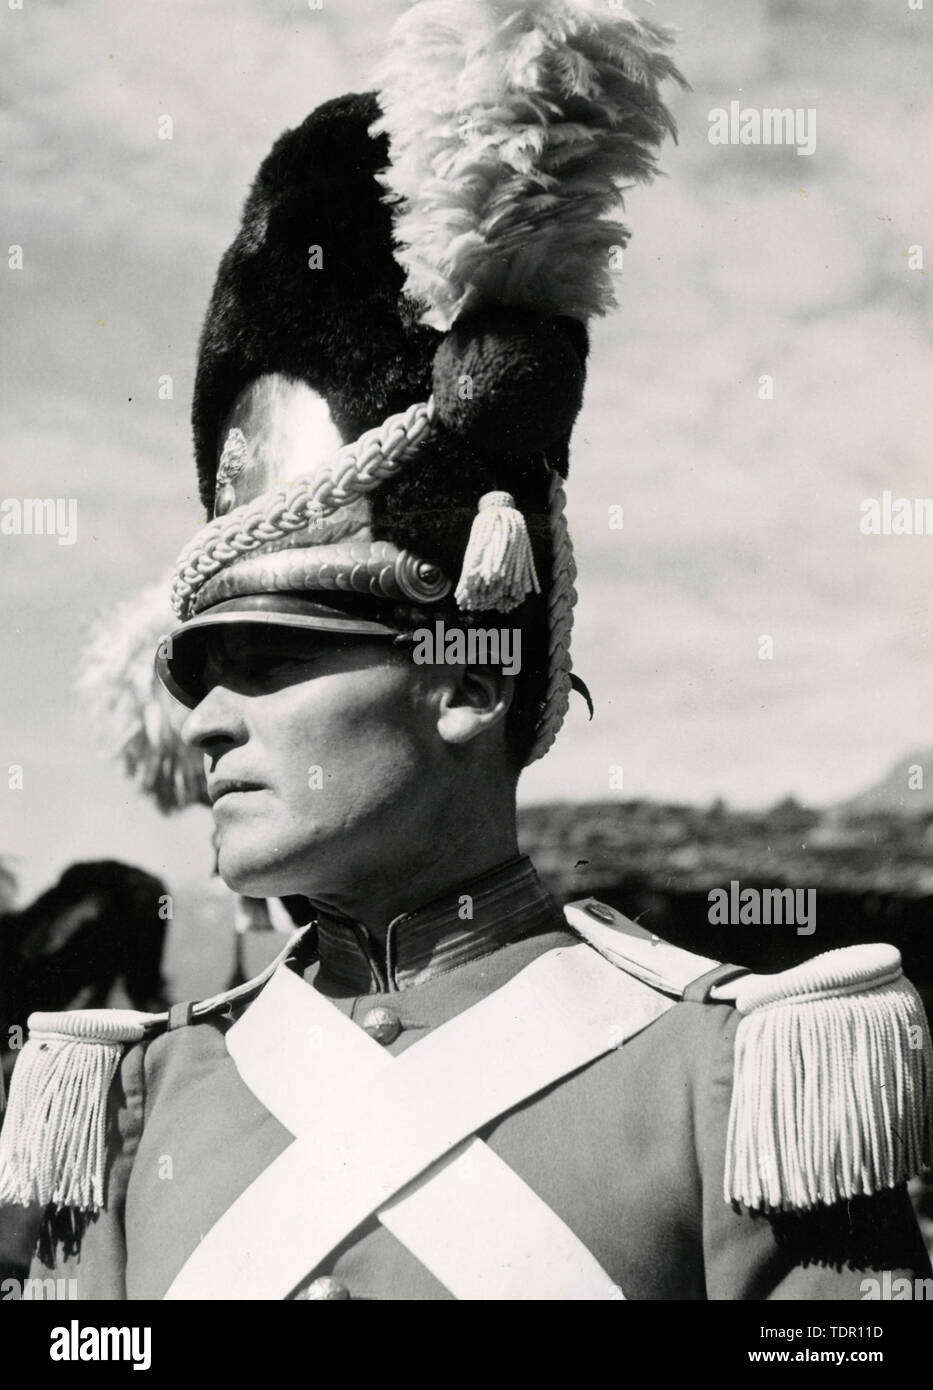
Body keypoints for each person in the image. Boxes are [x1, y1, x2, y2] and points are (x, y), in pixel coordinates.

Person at [1, 0, 930, 1301]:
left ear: (469, 673)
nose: (203, 721)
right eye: (198, 670)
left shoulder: (731, 1089)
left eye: (270, 660)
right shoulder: (131, 1104)